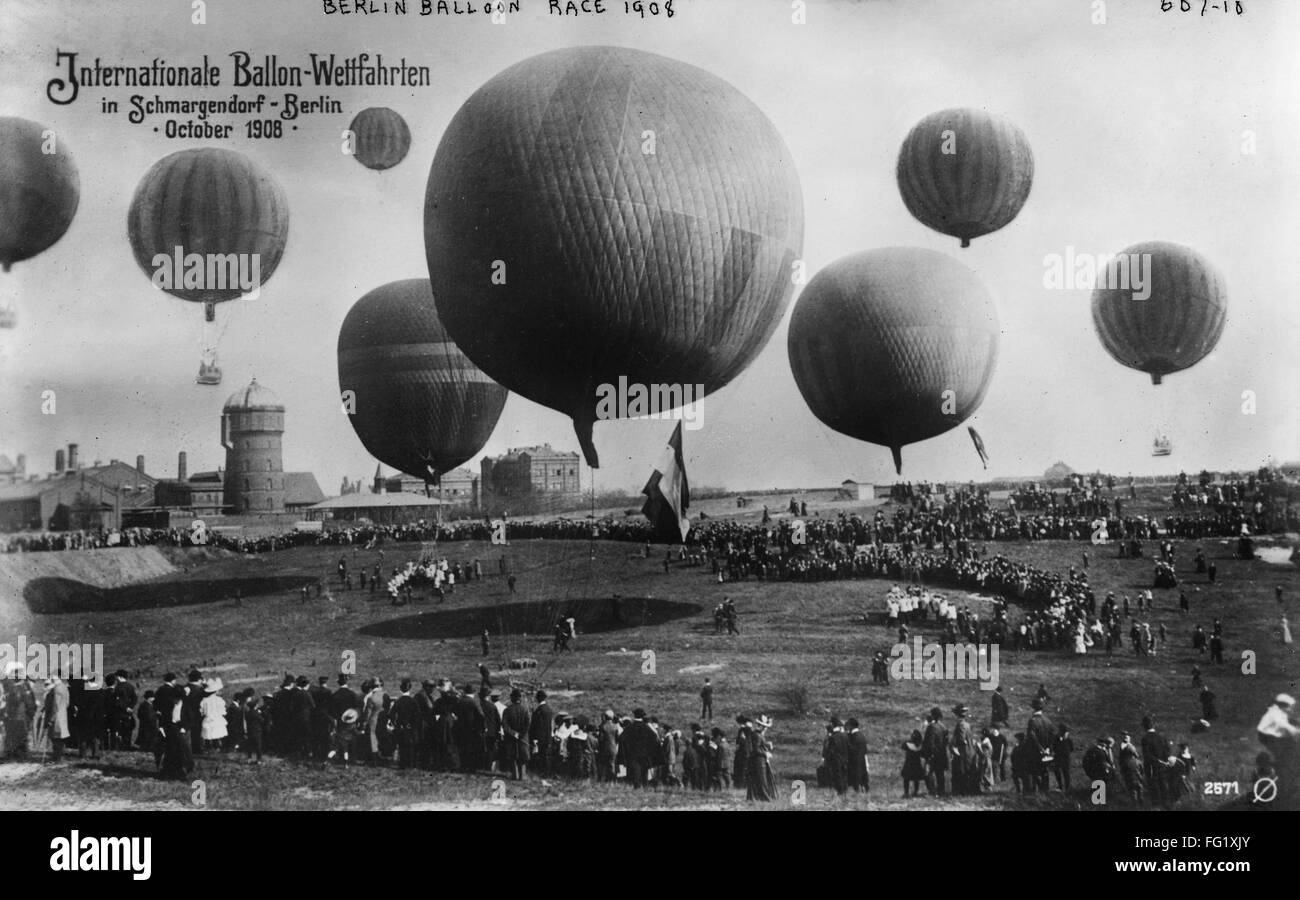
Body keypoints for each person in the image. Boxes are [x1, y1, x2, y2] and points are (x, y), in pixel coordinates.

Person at [501, 688, 531, 780]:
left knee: (513, 756)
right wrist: (521, 734)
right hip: (523, 737)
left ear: (511, 698)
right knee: (522, 757)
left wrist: (514, 733)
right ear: (520, 698)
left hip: (511, 737)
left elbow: (505, 725)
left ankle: (515, 775)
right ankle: (522, 775)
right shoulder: (525, 710)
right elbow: (528, 724)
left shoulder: (507, 710)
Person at [745, 715, 776, 802]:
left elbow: (758, 746)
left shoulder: (756, 734)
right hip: (759, 760)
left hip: (757, 760)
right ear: (761, 726)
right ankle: (765, 797)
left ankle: (757, 797)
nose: (766, 729)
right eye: (765, 727)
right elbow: (756, 749)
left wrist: (766, 744)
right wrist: (766, 754)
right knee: (762, 780)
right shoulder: (758, 735)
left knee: (758, 779)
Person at [949, 704, 978, 795]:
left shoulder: (960, 724)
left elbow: (961, 739)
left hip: (963, 751)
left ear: (957, 715)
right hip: (969, 750)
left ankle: (963, 791)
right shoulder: (967, 724)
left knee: (962, 771)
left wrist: (953, 745)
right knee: (968, 770)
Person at [922, 706, 949, 796]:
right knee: (940, 774)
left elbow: (929, 742)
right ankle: (941, 791)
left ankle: (932, 791)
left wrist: (929, 754)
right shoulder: (943, 727)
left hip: (933, 754)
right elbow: (946, 741)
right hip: (942, 753)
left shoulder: (931, 727)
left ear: (933, 715)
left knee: (927, 773)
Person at [822, 716, 850, 795]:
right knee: (844, 776)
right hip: (845, 759)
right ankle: (844, 791)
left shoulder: (832, 737)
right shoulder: (845, 736)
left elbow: (831, 751)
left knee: (837, 777)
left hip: (836, 761)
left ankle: (840, 792)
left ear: (832, 724)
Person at [199, 678, 228, 751]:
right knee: (216, 731)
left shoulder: (204, 700)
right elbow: (223, 711)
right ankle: (216, 746)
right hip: (217, 718)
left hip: (208, 718)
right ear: (215, 692)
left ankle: (208, 746)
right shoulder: (219, 700)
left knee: (208, 732)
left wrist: (205, 713)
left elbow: (202, 711)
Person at [846, 718, 869, 793]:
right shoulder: (862, 736)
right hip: (861, 760)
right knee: (862, 778)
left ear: (851, 726)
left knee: (855, 780)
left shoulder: (852, 737)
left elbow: (851, 749)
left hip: (854, 762)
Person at [901, 729, 926, 798]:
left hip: (908, 763)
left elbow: (903, 746)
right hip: (917, 763)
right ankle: (915, 792)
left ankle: (906, 793)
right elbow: (923, 754)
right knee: (916, 779)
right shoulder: (920, 746)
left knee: (906, 778)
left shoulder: (907, 744)